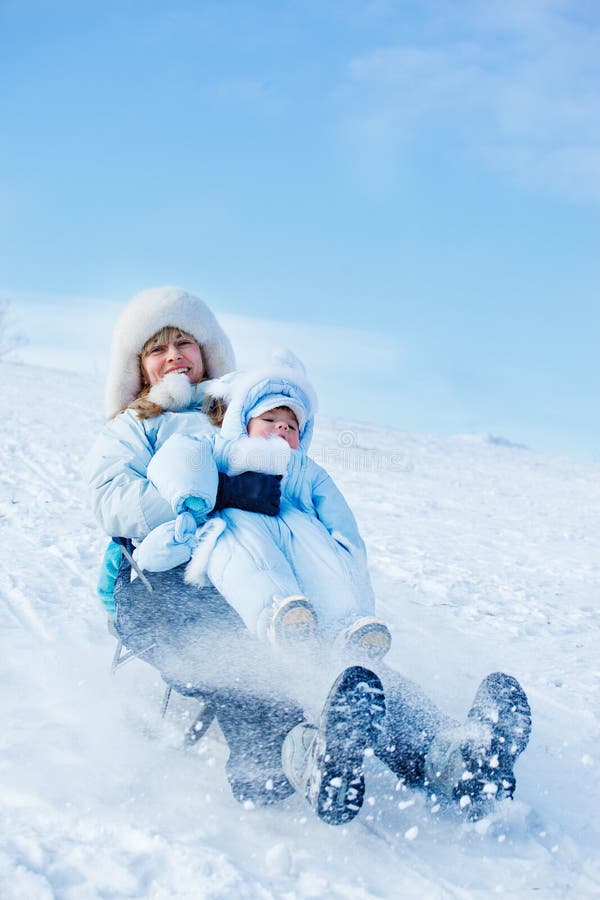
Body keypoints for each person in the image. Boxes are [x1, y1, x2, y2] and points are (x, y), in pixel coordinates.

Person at [85, 285, 532, 826]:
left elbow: (289, 486)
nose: (174, 354)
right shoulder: (136, 426)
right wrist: (214, 496)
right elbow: (113, 501)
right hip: (164, 581)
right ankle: (298, 758)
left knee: (339, 652)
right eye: (157, 348)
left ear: (207, 351)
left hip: (257, 567)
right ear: (138, 367)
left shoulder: (237, 412)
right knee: (236, 654)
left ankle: (453, 755)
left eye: (185, 341)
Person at [134, 350, 392, 658]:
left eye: (292, 426)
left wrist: (349, 552)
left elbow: (338, 516)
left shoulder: (308, 471)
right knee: (248, 558)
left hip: (301, 531)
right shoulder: (221, 450)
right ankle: (277, 615)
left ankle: (349, 629)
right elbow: (179, 457)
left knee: (326, 565)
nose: (282, 427)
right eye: (269, 419)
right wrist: (195, 498)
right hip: (235, 521)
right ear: (243, 422)